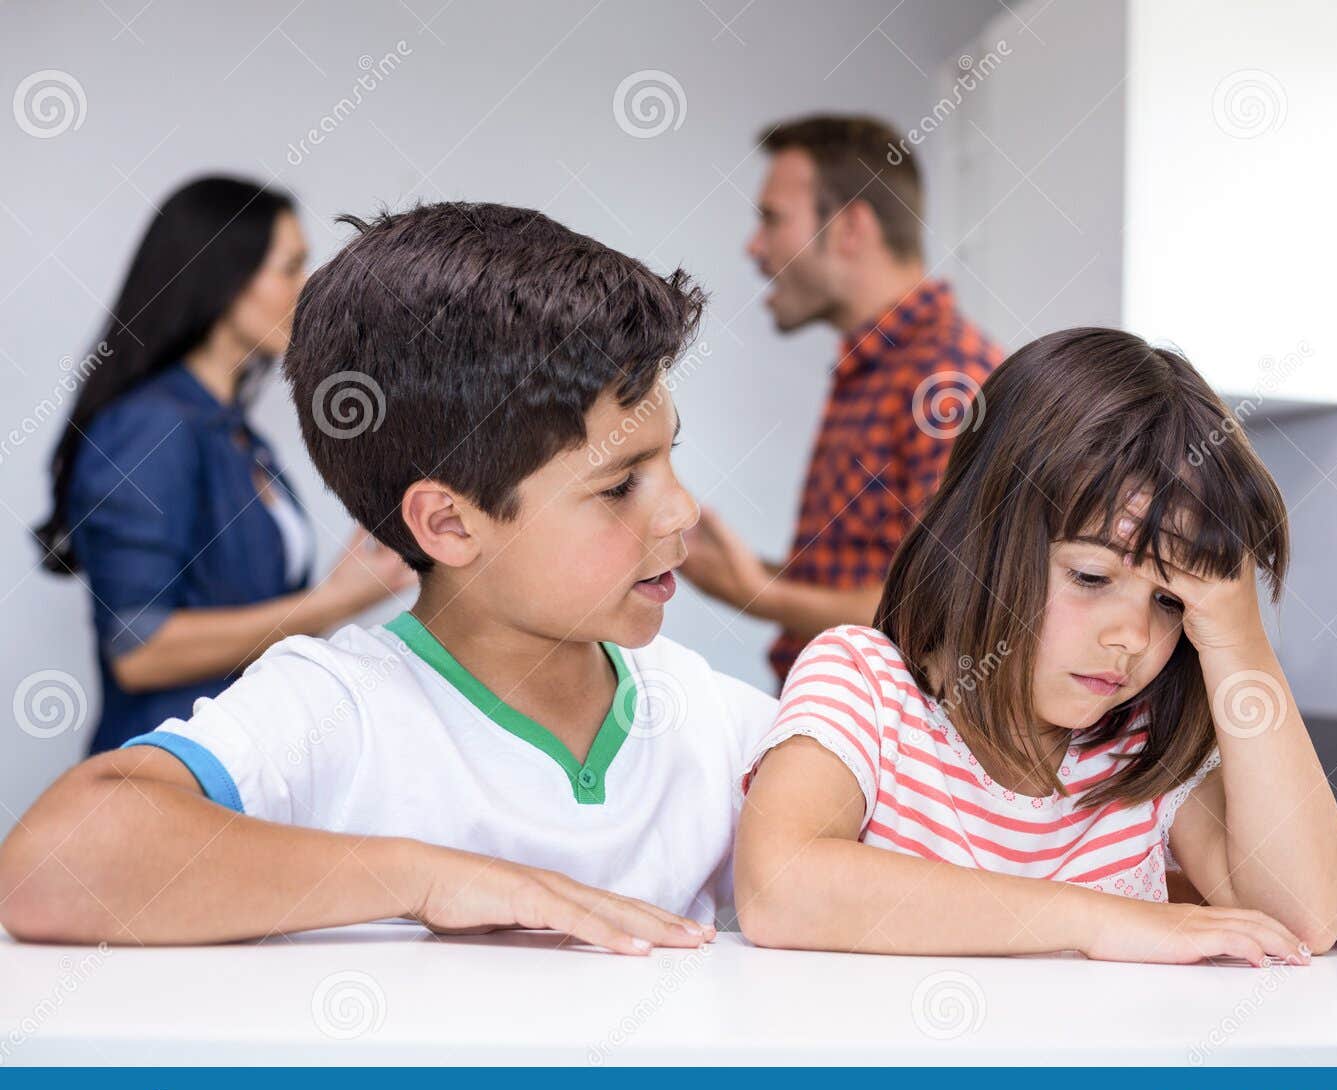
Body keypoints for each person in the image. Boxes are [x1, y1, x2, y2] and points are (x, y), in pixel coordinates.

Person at [0, 202, 771, 951]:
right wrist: (426, 877)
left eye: (669, 456)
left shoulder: (713, 719)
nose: (682, 510)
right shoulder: (337, 709)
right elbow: (50, 867)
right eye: (620, 483)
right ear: (449, 524)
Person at [734, 328, 1337, 964]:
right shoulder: (863, 684)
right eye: (1092, 575)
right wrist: (1095, 918)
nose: (1132, 636)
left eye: (1170, 602)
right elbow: (778, 884)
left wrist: (1240, 643)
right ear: (980, 540)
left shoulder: (1145, 753)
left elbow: (1301, 916)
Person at [34, 175, 413, 753]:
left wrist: (341, 591)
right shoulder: (151, 426)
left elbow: (259, 629)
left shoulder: (237, 434)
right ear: (224, 276)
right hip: (163, 777)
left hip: (241, 765)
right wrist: (336, 601)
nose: (308, 288)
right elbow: (140, 649)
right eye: (291, 267)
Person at [681, 115, 1003, 687]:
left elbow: (948, 609)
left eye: (772, 219)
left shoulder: (948, 378)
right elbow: (864, 576)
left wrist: (758, 594)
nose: (755, 245)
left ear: (850, 228)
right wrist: (734, 571)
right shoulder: (879, 367)